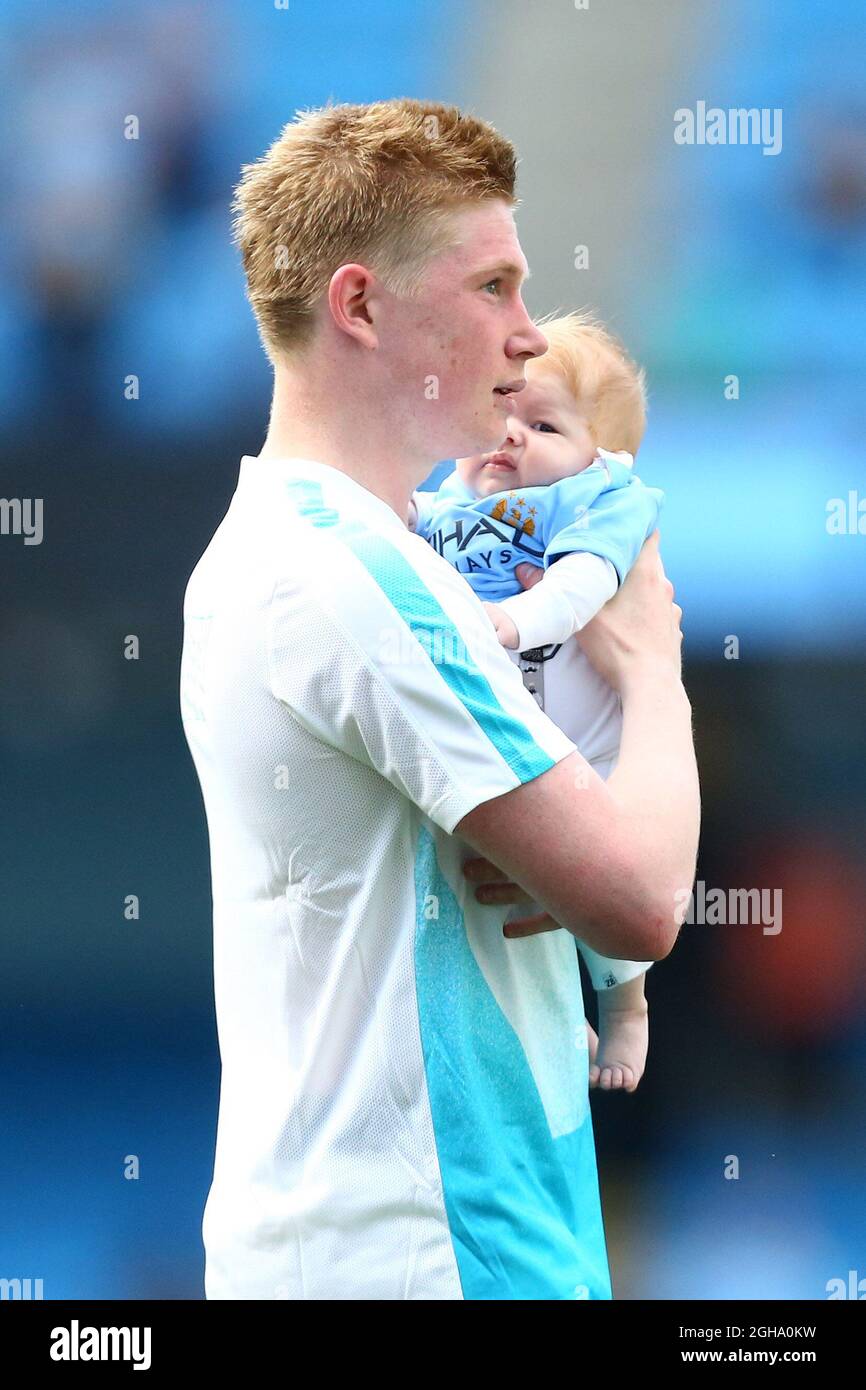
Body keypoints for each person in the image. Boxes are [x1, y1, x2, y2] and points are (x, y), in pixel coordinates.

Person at [179, 97, 700, 1301]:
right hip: (429, 1247)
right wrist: (650, 662)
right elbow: (637, 901)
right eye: (493, 288)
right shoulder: (366, 577)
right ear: (358, 306)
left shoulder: (285, 546)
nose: (529, 335)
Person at [408, 311, 660, 1093]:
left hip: (585, 744)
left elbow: (583, 583)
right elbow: (393, 524)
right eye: (501, 409)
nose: (510, 435)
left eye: (543, 424)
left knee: (602, 898)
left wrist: (518, 619)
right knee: (500, 891)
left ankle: (626, 1007)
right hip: (494, 747)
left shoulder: (601, 504)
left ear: (601, 458)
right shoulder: (448, 501)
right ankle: (557, 1012)